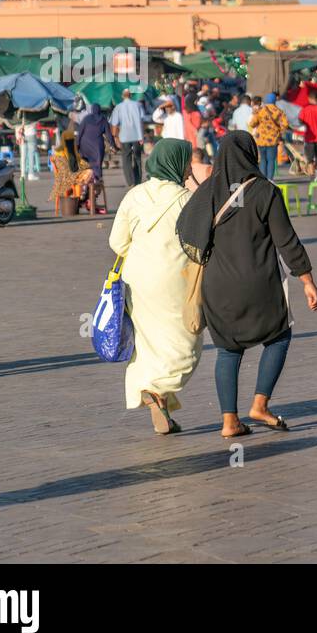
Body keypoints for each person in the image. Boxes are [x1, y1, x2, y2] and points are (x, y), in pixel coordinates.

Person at [176, 131, 317, 438]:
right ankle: (260, 404)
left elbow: (185, 229)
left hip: (217, 287)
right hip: (259, 284)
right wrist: (307, 280)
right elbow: (287, 241)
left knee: (228, 350)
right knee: (279, 336)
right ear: (251, 155)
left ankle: (229, 422)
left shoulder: (208, 191)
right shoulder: (265, 192)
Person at [108, 139, 201, 434]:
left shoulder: (135, 195)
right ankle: (157, 389)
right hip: (175, 280)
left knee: (149, 345)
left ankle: (157, 401)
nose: (189, 168)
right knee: (185, 345)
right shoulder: (187, 199)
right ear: (175, 163)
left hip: (137, 280)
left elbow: (117, 242)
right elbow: (198, 246)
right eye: (186, 162)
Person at [77, 103, 115, 214]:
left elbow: (79, 134)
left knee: (86, 170)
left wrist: (77, 146)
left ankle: (85, 192)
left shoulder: (86, 119)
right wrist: (113, 145)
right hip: (97, 149)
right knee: (97, 172)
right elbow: (109, 135)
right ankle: (93, 196)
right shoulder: (103, 120)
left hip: (85, 148)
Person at [49, 129, 94, 212]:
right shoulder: (67, 151)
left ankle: (79, 199)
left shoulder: (58, 151)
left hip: (64, 177)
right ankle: (79, 200)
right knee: (89, 175)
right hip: (67, 177)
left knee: (85, 176)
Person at [110, 89, 146, 188]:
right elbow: (142, 120)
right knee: (137, 158)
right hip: (137, 136)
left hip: (124, 136)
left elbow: (114, 124)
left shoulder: (118, 107)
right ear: (131, 95)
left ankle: (130, 181)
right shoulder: (138, 105)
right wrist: (142, 136)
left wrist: (115, 138)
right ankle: (138, 180)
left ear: (122, 96)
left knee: (126, 159)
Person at [249, 93, 289, 180]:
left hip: (261, 140)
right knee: (271, 160)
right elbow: (285, 124)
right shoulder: (279, 111)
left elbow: (252, 124)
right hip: (273, 140)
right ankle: (270, 179)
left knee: (263, 160)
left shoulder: (260, 111)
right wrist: (279, 131)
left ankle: (263, 179)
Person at [298, 91, 317, 175]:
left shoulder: (305, 110)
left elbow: (300, 121)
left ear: (309, 99)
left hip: (309, 137)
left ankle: (311, 174)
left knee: (310, 158)